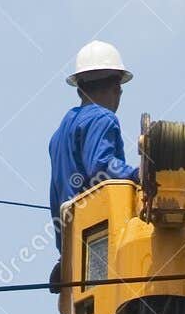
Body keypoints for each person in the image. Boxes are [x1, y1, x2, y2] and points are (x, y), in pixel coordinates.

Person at [48, 40, 139, 254]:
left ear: (79, 90)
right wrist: (138, 174)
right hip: (97, 237)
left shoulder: (61, 132)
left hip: (69, 241)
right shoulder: (103, 118)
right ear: (117, 88)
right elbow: (101, 167)